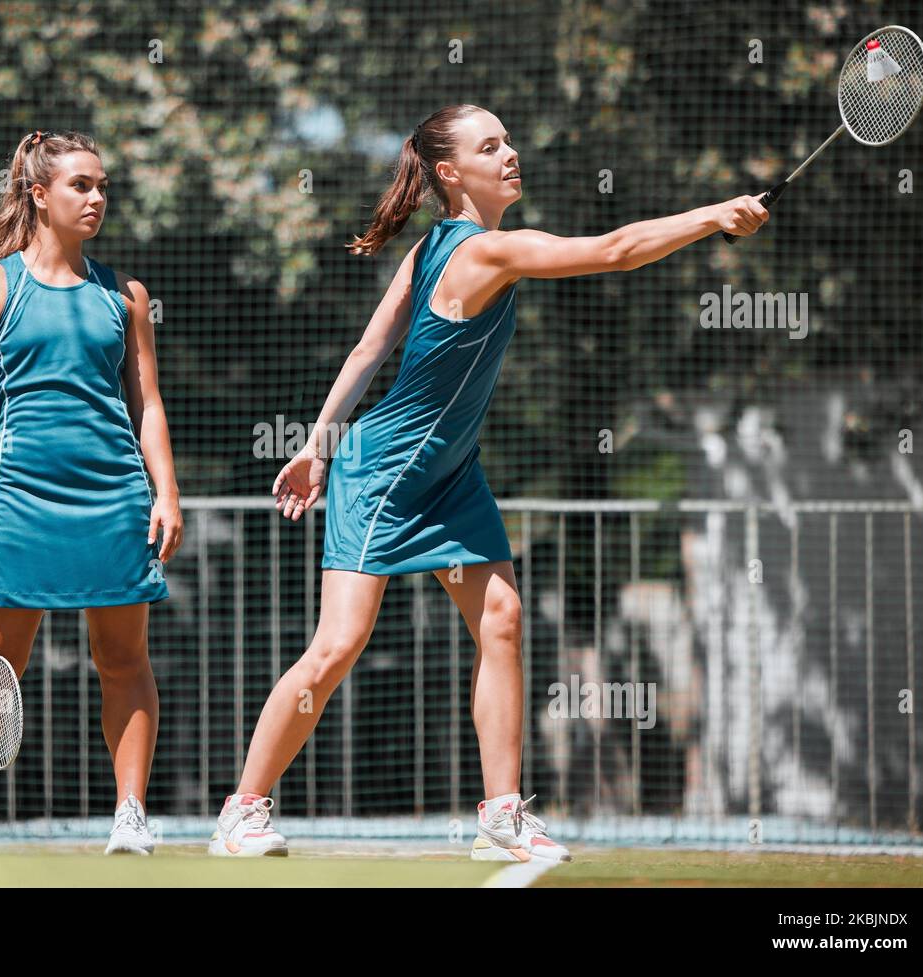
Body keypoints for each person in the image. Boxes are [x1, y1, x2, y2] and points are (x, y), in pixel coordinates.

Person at [209, 104, 768, 860]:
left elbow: (371, 349)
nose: (511, 152)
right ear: (449, 172)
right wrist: (713, 215)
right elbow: (614, 249)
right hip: (386, 471)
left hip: (451, 473)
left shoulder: (435, 246)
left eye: (509, 138)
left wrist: (313, 443)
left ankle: (502, 813)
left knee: (500, 617)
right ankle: (242, 808)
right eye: (491, 145)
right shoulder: (476, 252)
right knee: (338, 644)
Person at [0, 130, 183, 855]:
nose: (96, 198)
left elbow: (148, 403)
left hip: (114, 498)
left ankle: (130, 816)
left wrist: (167, 492)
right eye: (80, 185)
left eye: (102, 186)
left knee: (124, 661)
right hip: (19, 501)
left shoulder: (126, 296)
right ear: (38, 194)